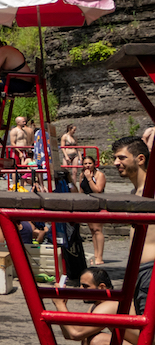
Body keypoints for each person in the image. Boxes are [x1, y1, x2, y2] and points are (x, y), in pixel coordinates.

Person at [113, 136, 155, 319]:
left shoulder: (152, 191)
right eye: (115, 158)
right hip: (137, 271)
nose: (116, 162)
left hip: (151, 270)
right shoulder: (135, 193)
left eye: (122, 158)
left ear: (140, 159)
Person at [51, 268, 117, 345]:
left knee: (98, 340)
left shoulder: (110, 305)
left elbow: (75, 334)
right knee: (87, 337)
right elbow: (70, 334)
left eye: (85, 286)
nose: (80, 289)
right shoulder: (96, 306)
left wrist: (60, 304)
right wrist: (62, 305)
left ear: (101, 287)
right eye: (80, 285)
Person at [78, 155, 108, 266]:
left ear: (94, 164)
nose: (87, 166)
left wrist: (90, 179)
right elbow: (81, 190)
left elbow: (98, 190)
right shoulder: (82, 175)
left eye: (89, 163)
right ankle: (95, 254)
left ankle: (99, 256)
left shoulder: (99, 175)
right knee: (92, 229)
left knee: (97, 229)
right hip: (87, 203)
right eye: (85, 163)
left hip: (98, 203)